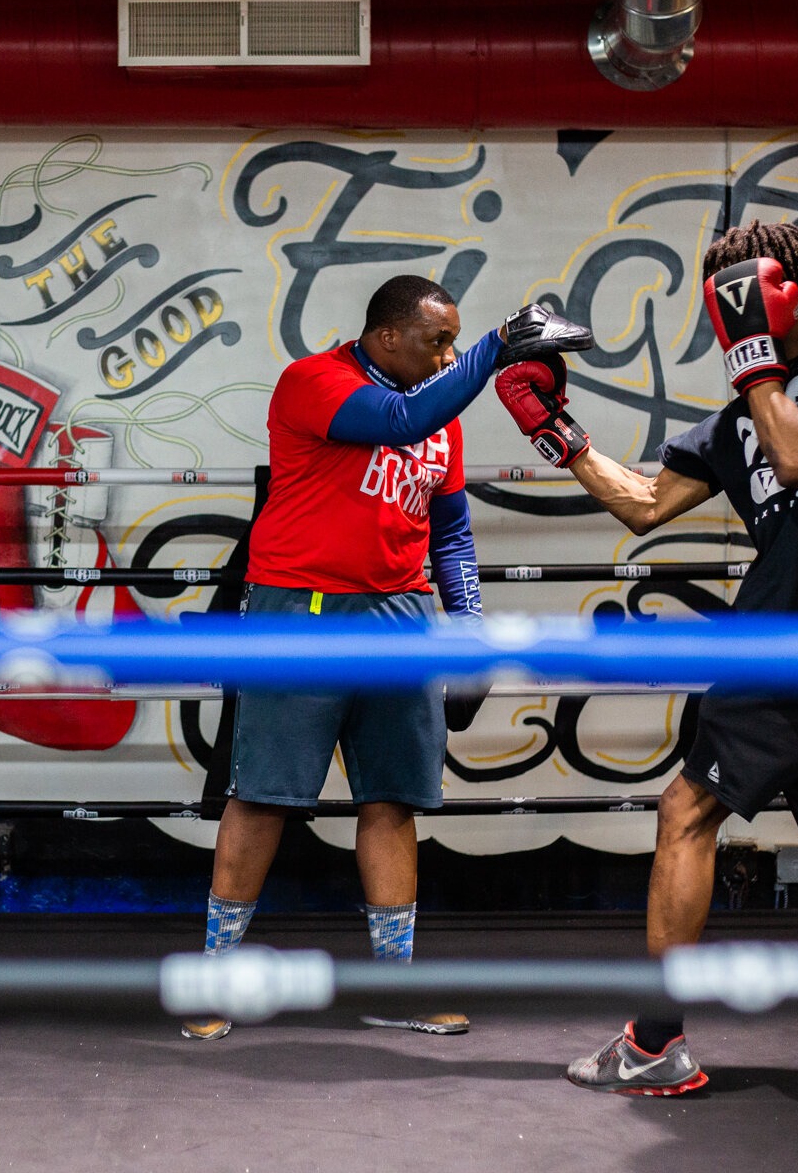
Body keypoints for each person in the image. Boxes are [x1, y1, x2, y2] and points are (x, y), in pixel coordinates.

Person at [492, 221, 798, 1093]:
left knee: (685, 810)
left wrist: (754, 359)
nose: (729, 313)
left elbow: (797, 455)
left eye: (738, 293)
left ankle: (654, 1045)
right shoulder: (740, 416)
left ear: (780, 290)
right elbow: (643, 505)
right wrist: (557, 432)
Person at [182, 275, 591, 1040]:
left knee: (394, 799)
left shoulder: (441, 415)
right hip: (301, 613)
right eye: (436, 340)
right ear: (386, 335)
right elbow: (402, 420)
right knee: (265, 797)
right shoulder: (315, 382)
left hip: (401, 617)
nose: (445, 356)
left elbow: (453, 532)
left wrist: (467, 625)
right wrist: (499, 344)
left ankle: (398, 983)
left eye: (453, 343)